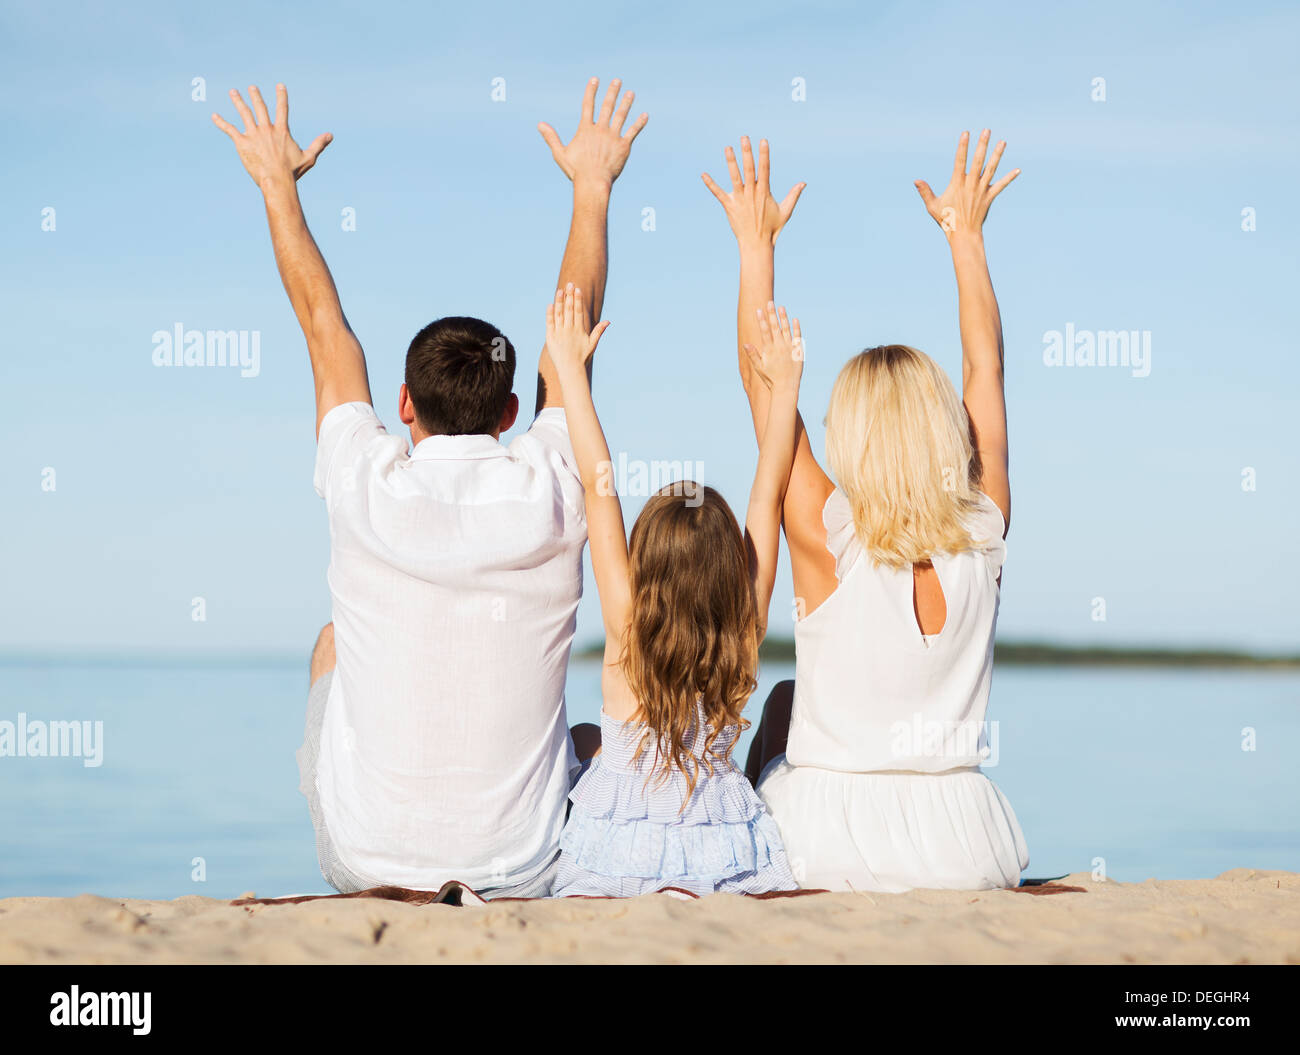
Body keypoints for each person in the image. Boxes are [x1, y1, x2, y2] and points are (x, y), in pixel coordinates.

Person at [211, 78, 647, 897]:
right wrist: (594, 189)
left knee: (333, 640)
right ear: (513, 409)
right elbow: (573, 336)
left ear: (402, 404)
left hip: (365, 863)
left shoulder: (362, 479)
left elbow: (322, 327)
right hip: (526, 865)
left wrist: (277, 186)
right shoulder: (552, 480)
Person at [708, 133, 1029, 892]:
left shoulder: (831, 536)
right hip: (960, 841)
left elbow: (763, 388)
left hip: (824, 838)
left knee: (783, 704)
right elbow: (987, 366)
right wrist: (966, 235)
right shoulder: (985, 529)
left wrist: (756, 247)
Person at [543, 286, 798, 897]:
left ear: (645, 560)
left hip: (612, 856)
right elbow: (768, 498)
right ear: (728, 569)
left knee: (584, 736)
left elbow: (599, 489)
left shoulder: (628, 625)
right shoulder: (743, 629)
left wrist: (570, 372)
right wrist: (784, 386)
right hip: (720, 844)